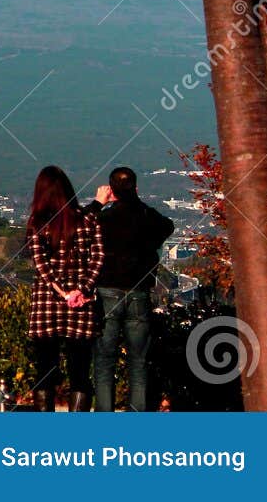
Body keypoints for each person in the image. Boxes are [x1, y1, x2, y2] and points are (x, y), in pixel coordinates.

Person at [86, 166, 174, 411]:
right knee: (138, 361)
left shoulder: (103, 219)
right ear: (135, 188)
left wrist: (97, 203)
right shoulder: (147, 216)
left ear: (111, 191)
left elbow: (79, 226)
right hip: (139, 291)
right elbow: (167, 226)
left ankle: (105, 413)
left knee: (104, 360)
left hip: (107, 291)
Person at [26, 164, 104, 411]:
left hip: (46, 302)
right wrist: (82, 289)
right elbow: (98, 258)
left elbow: (40, 263)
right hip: (81, 303)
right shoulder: (88, 220)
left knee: (45, 369)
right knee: (80, 371)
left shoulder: (38, 223)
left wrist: (60, 291)